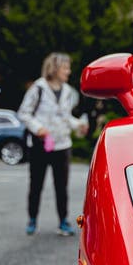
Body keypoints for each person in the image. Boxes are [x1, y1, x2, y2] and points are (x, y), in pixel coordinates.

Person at [17, 52, 89, 236]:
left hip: (62, 145)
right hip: (40, 145)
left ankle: (63, 222)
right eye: (65, 67)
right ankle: (32, 219)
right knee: (36, 185)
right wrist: (38, 128)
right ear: (55, 68)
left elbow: (65, 117)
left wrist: (78, 125)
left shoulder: (67, 91)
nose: (69, 71)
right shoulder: (38, 88)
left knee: (61, 187)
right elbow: (23, 113)